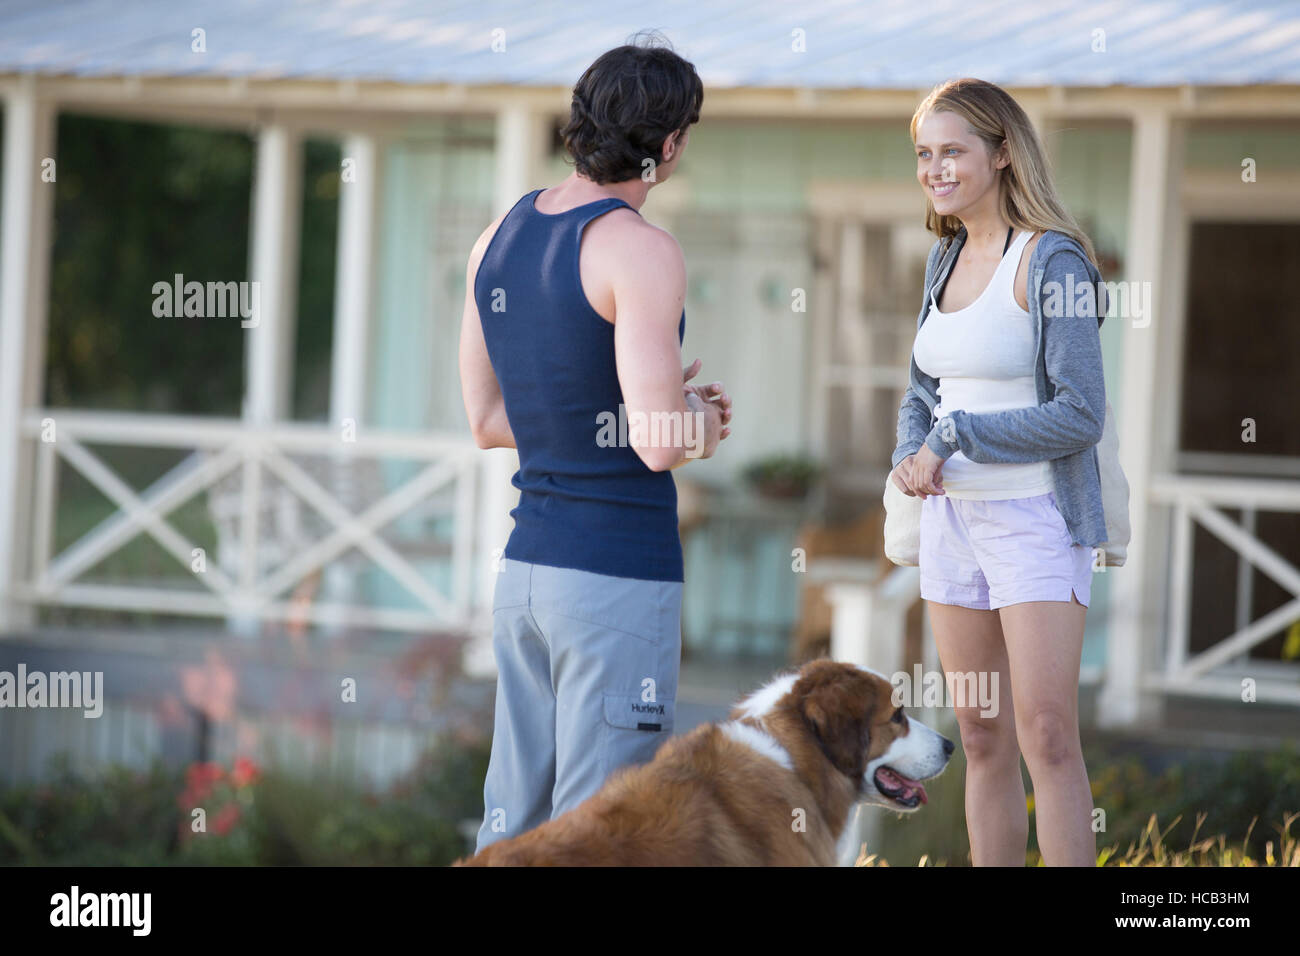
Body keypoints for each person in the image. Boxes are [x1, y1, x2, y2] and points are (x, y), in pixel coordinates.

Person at [458, 34, 732, 853]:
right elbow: (657, 445)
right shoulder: (641, 250)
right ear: (671, 142)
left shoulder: (497, 237)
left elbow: (489, 422)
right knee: (602, 835)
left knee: (512, 828)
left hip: (525, 576)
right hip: (613, 577)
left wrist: (633, 407)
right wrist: (703, 421)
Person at [891, 78, 1109, 866]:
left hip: (1036, 519)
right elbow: (922, 388)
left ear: (1003, 151)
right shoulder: (943, 257)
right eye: (925, 153)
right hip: (953, 522)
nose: (936, 168)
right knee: (980, 736)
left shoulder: (1053, 261)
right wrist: (909, 455)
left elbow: (1082, 413)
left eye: (953, 150)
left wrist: (953, 438)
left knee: (1046, 736)